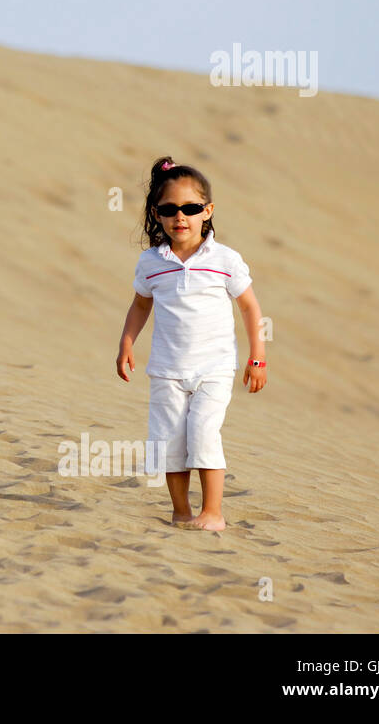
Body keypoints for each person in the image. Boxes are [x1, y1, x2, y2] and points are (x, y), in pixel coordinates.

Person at [116, 157, 267, 531]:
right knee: (169, 443)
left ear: (207, 211)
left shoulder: (223, 259)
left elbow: (249, 306)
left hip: (213, 369)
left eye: (190, 208)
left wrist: (258, 358)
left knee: (203, 433)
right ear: (157, 213)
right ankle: (180, 511)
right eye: (169, 210)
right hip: (166, 370)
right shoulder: (152, 262)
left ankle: (213, 512)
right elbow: (139, 305)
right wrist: (126, 344)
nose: (179, 217)